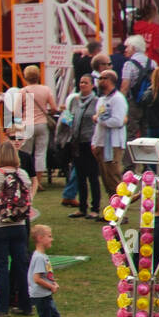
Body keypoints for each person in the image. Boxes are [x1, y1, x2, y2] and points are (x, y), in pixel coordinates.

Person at [0, 140, 32, 317]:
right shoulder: (23, 175)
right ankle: (26, 304)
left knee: (1, 267)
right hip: (19, 226)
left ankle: (1, 307)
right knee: (21, 266)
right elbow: (28, 200)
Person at [63, 73, 100, 219]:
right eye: (81, 82)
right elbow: (68, 117)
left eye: (85, 82)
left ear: (92, 85)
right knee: (80, 175)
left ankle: (95, 208)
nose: (82, 85)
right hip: (76, 142)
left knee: (92, 176)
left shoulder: (97, 102)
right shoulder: (74, 101)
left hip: (90, 142)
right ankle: (82, 208)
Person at [16, 65, 58, 187]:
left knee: (25, 153)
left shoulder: (22, 91)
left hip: (27, 124)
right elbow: (54, 108)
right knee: (40, 153)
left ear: (25, 76)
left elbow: (16, 112)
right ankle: (38, 182)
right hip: (42, 123)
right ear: (38, 75)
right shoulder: (45, 90)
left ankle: (26, 180)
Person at [93, 68, 128, 209]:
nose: (100, 81)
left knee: (114, 177)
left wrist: (99, 119)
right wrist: (94, 142)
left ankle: (120, 211)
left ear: (110, 80)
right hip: (101, 142)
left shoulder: (118, 99)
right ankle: (113, 208)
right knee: (106, 179)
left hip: (113, 144)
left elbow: (118, 121)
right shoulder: (101, 99)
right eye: (99, 78)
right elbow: (99, 125)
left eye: (103, 78)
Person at [28, 224, 60, 317]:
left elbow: (45, 276)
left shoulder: (42, 256)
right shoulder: (39, 257)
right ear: (40, 238)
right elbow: (37, 278)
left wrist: (53, 283)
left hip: (45, 293)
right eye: (49, 236)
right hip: (41, 295)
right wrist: (50, 287)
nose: (51, 239)